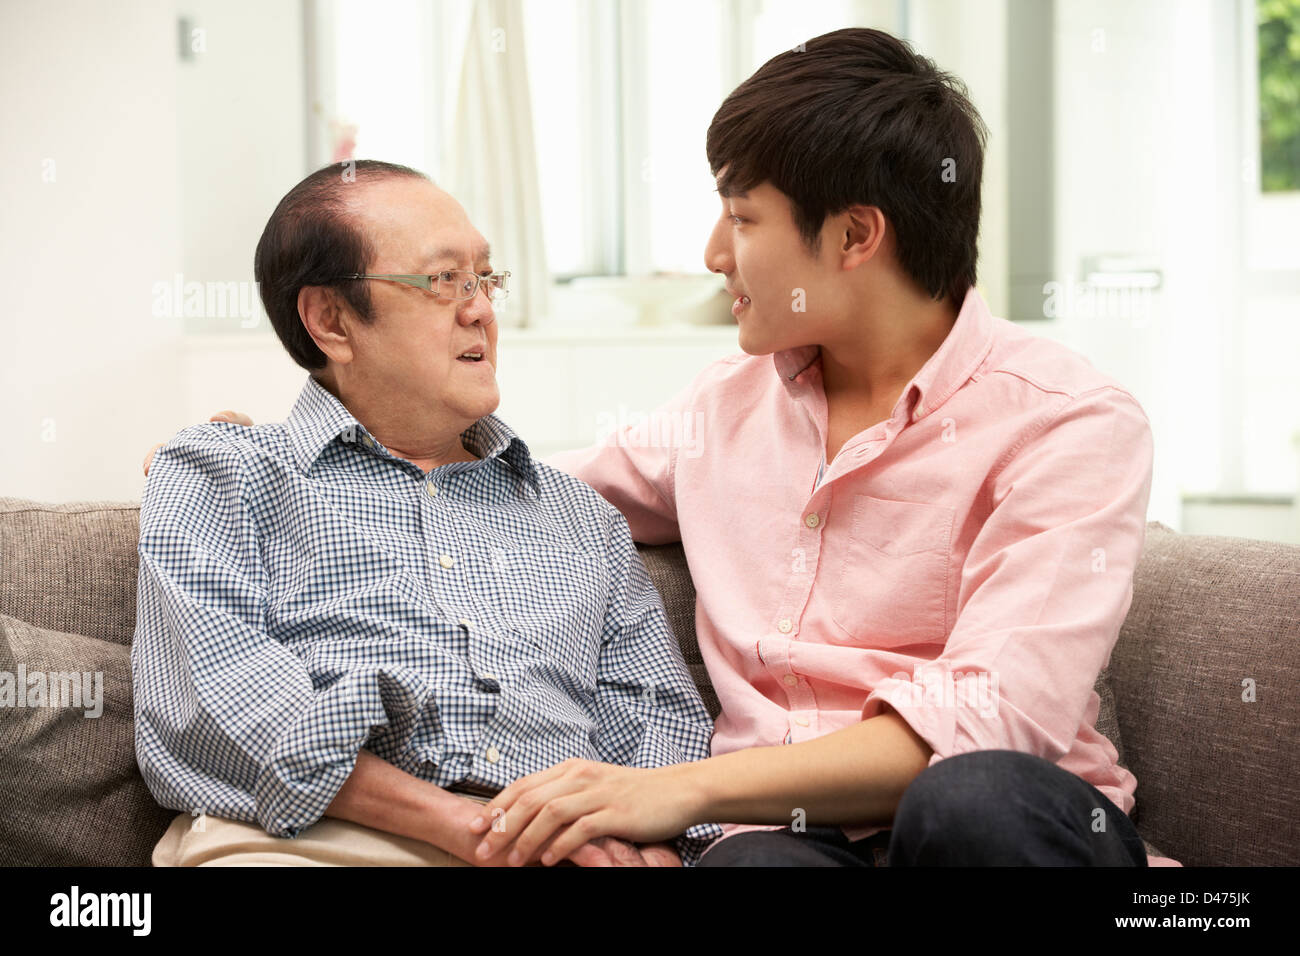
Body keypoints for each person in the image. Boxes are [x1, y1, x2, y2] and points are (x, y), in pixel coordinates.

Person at [147, 28, 1176, 868]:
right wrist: (282, 446)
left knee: (970, 801)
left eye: (741, 216)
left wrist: (668, 789)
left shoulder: (1067, 421)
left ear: (854, 238)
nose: (712, 253)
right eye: (443, 284)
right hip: (784, 842)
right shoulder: (719, 414)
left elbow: (992, 717)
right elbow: (515, 496)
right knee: (746, 869)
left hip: (993, 825)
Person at [133, 160, 723, 867]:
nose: (480, 309)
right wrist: (479, 831)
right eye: (444, 281)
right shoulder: (222, 473)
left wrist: (655, 846)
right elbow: (216, 703)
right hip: (314, 839)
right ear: (331, 320)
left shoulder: (580, 515)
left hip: (567, 847)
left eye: (484, 278)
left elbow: (656, 713)